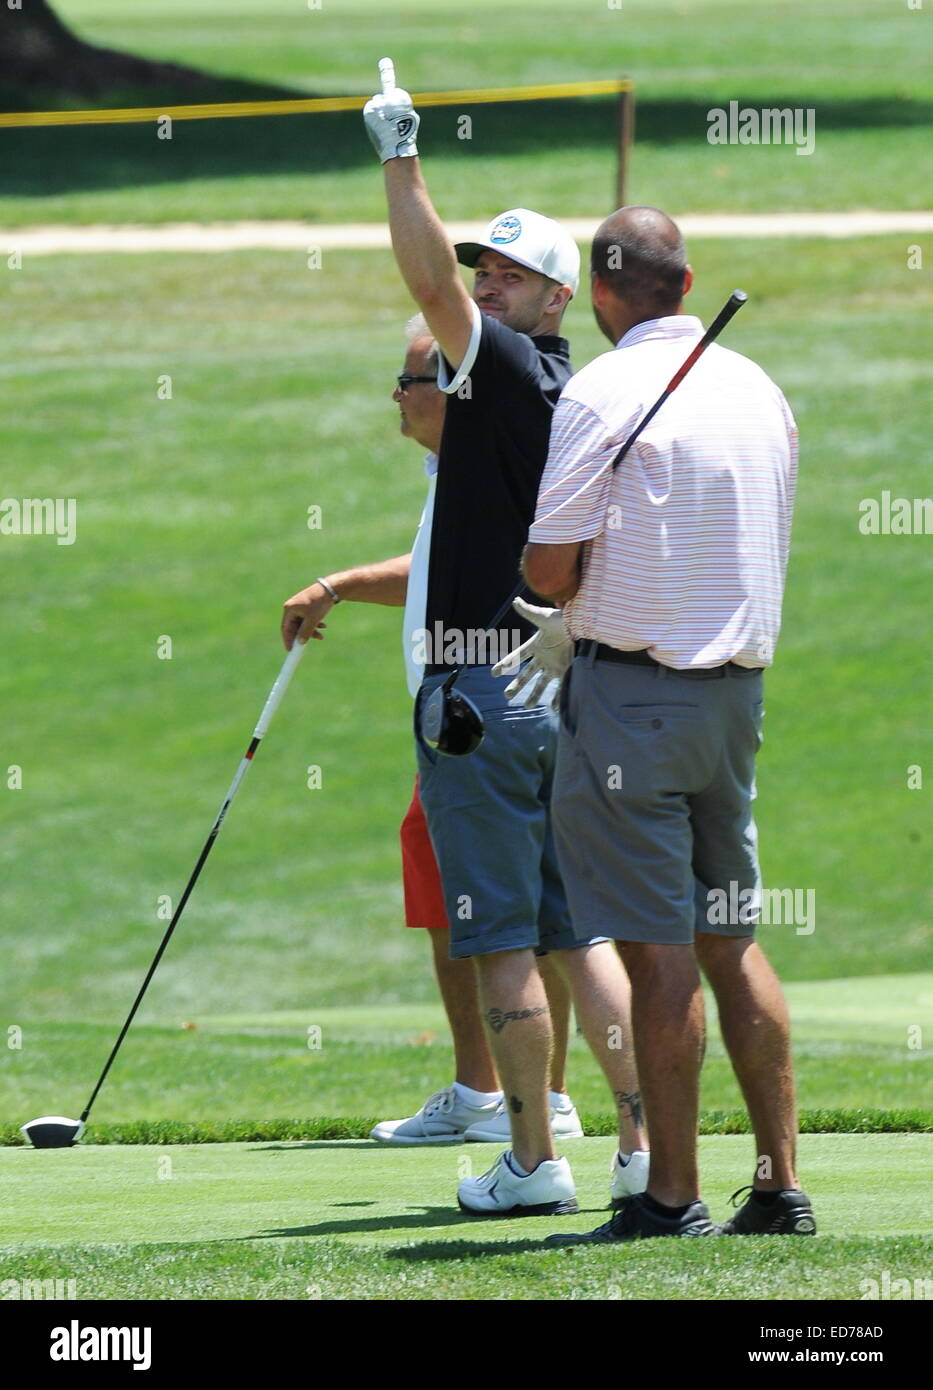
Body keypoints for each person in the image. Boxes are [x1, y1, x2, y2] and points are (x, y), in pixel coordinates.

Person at [362, 64, 649, 1216]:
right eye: (487, 267)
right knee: (580, 936)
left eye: (510, 274)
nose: (484, 284)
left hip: (485, 691)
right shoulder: (571, 385)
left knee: (501, 942)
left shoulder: (517, 368)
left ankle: (533, 1162)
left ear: (555, 298)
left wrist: (398, 155)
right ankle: (638, 1147)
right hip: (556, 686)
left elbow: (424, 281)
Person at [522, 205, 814, 1241]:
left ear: (600, 296)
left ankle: (671, 1194)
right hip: (735, 702)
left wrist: (576, 589)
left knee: (657, 951)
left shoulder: (600, 389)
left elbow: (547, 568)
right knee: (729, 936)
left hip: (630, 703)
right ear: (686, 284)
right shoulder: (760, 388)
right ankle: (780, 1184)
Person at [281, 319, 582, 1148]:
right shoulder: (454, 476)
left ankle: (514, 1100)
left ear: (455, 391)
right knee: (484, 902)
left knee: (507, 910)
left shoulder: (492, 467)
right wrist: (337, 585)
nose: (397, 395)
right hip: (469, 722)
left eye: (410, 380)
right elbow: (438, 572)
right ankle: (504, 1092)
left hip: (490, 721)